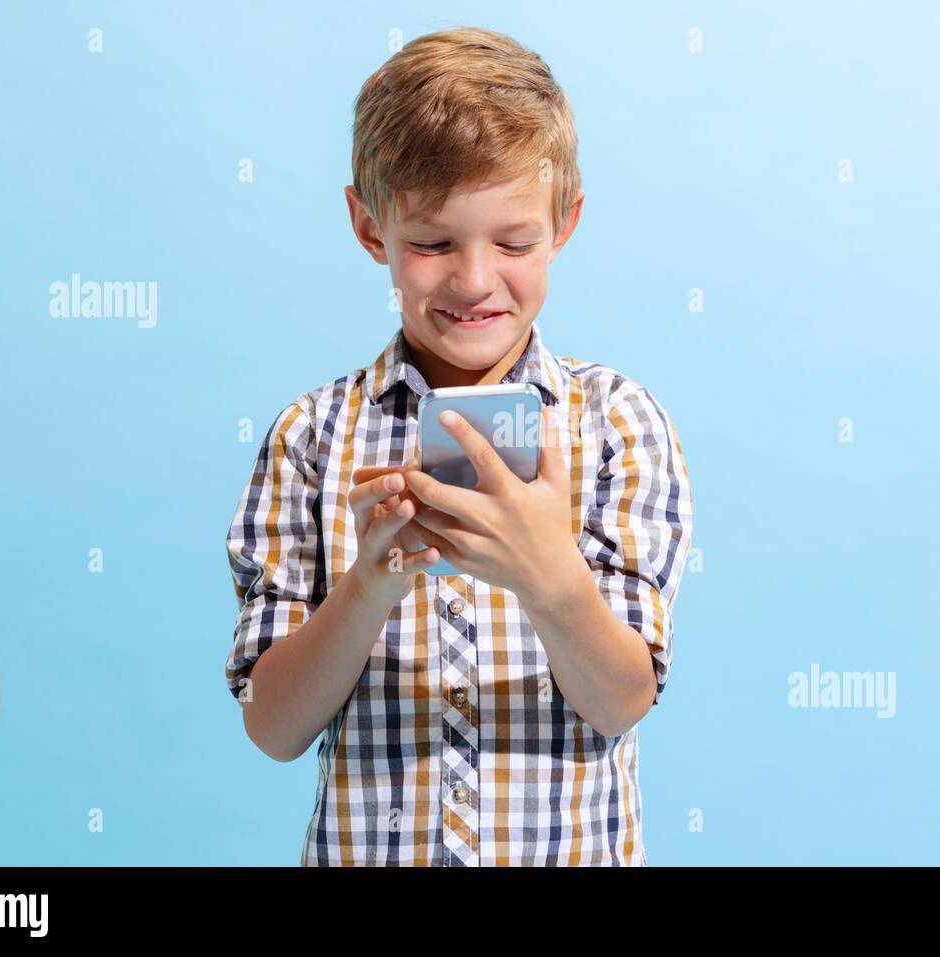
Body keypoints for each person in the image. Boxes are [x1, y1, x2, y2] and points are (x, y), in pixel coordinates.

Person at [224, 26, 694, 866]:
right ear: (371, 229)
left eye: (514, 242)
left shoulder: (619, 423)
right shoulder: (311, 437)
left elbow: (623, 698)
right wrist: (368, 582)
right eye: (433, 243)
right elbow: (273, 724)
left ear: (564, 222)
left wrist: (546, 570)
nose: (475, 280)